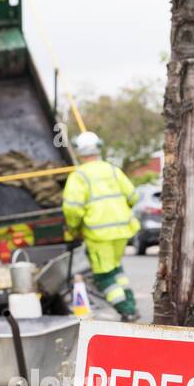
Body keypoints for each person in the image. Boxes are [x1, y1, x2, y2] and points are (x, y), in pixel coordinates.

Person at [61, 131, 141, 322]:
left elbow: (72, 210)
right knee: (116, 270)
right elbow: (133, 197)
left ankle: (127, 310)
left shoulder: (79, 176)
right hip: (122, 231)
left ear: (80, 152)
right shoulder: (112, 169)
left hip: (99, 234)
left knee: (104, 275)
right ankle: (132, 306)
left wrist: (73, 228)